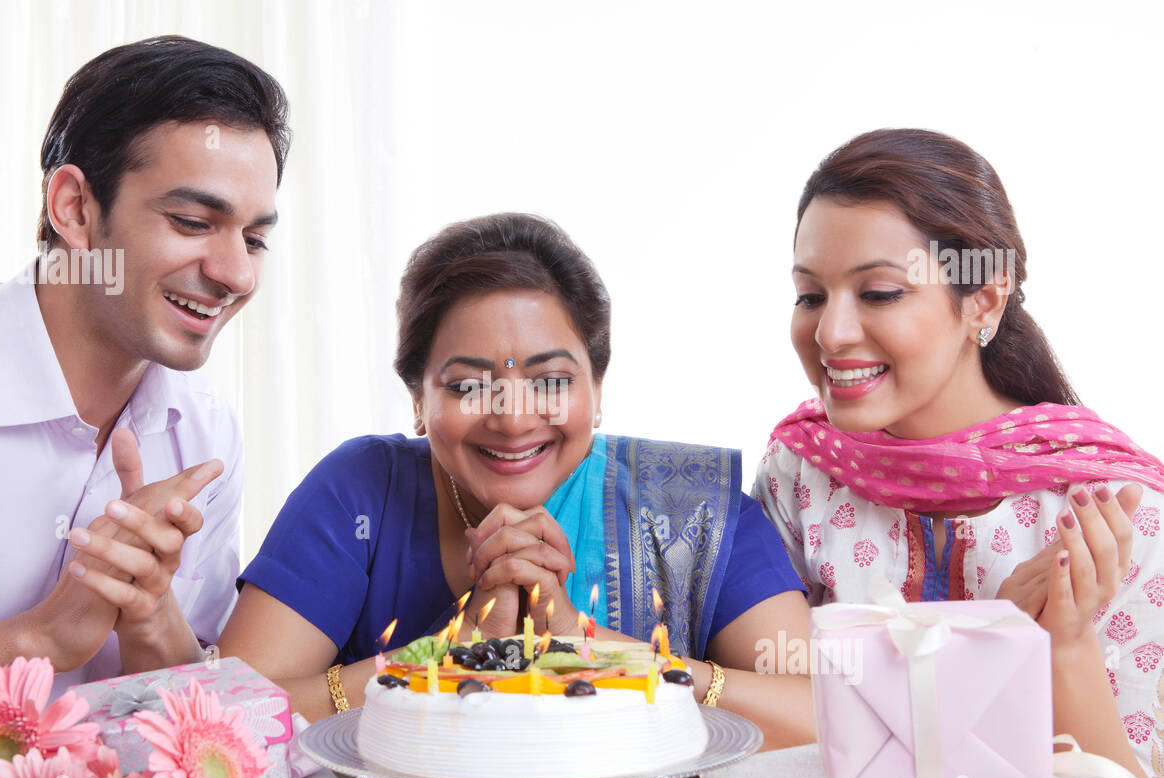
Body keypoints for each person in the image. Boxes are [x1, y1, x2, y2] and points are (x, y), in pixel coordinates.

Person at [0, 36, 289, 778]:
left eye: (254, 237)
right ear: (75, 208)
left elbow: (192, 742)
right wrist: (37, 637)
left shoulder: (204, 433)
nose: (236, 273)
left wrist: (152, 620)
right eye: (194, 222)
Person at [219, 212, 815, 748]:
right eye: (466, 385)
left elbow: (827, 716)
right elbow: (218, 723)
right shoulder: (360, 494)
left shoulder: (695, 507)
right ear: (418, 399)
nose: (513, 418)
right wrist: (440, 656)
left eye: (550, 379)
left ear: (597, 388)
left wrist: (604, 653)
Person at [756, 128, 1164, 778]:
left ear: (984, 299)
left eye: (880, 292)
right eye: (810, 295)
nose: (831, 333)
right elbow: (779, 736)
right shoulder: (799, 477)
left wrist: (1062, 647)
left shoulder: (1116, 514)